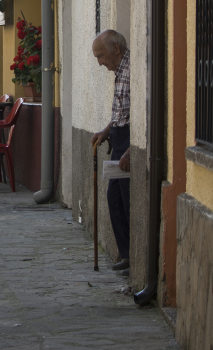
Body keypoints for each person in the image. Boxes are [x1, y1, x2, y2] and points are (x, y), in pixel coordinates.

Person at [90, 30, 131, 274]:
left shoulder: (133, 69)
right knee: (113, 197)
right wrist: (107, 130)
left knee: (126, 199)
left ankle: (133, 257)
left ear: (115, 49)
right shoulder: (120, 70)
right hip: (118, 136)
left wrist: (130, 150)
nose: (100, 62)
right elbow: (121, 111)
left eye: (101, 56)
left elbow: (139, 115)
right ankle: (126, 254)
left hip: (128, 140)